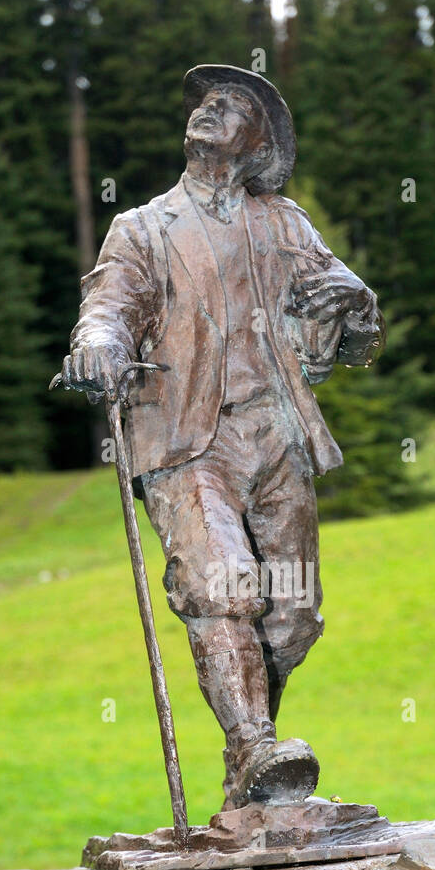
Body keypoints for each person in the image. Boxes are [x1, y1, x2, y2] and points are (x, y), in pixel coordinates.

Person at [58, 65, 384, 809]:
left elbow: (353, 336)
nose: (210, 108)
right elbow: (108, 303)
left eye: (233, 106)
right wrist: (98, 344)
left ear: (257, 143)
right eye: (207, 100)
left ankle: (251, 773)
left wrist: (358, 307)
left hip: (278, 435)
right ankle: (254, 746)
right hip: (185, 440)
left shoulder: (285, 223)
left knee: (293, 618)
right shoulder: (142, 227)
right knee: (221, 586)